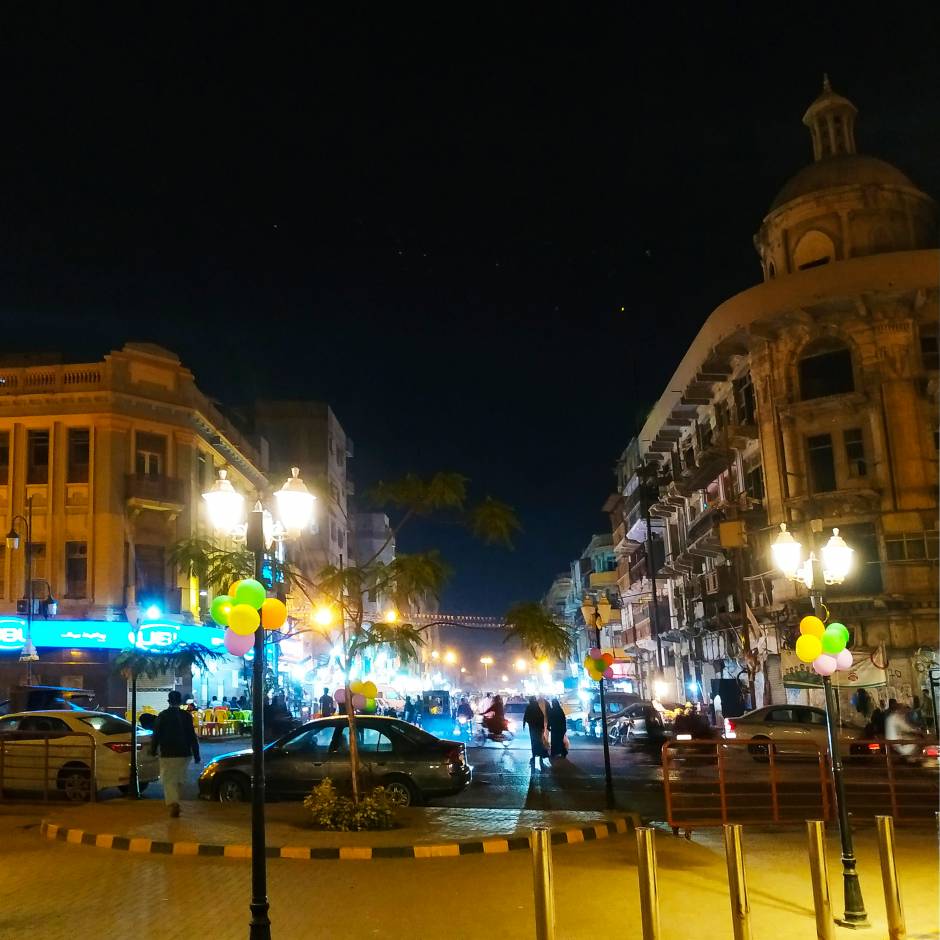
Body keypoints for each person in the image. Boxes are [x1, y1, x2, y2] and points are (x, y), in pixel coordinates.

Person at [150, 690, 200, 817]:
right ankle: (176, 800)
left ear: (168, 701)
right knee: (179, 778)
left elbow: (156, 735)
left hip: (168, 752)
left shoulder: (163, 715)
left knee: (168, 779)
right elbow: (192, 736)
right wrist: (196, 754)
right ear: (180, 702)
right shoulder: (186, 716)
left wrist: (153, 749)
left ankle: (173, 802)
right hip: (184, 753)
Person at [523, 696, 548, 769]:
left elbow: (526, 716)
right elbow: (541, 717)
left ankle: (534, 755)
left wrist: (525, 724)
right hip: (538, 728)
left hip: (532, 727)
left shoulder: (529, 706)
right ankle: (540, 755)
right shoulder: (537, 707)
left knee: (533, 741)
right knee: (539, 741)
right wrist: (542, 727)